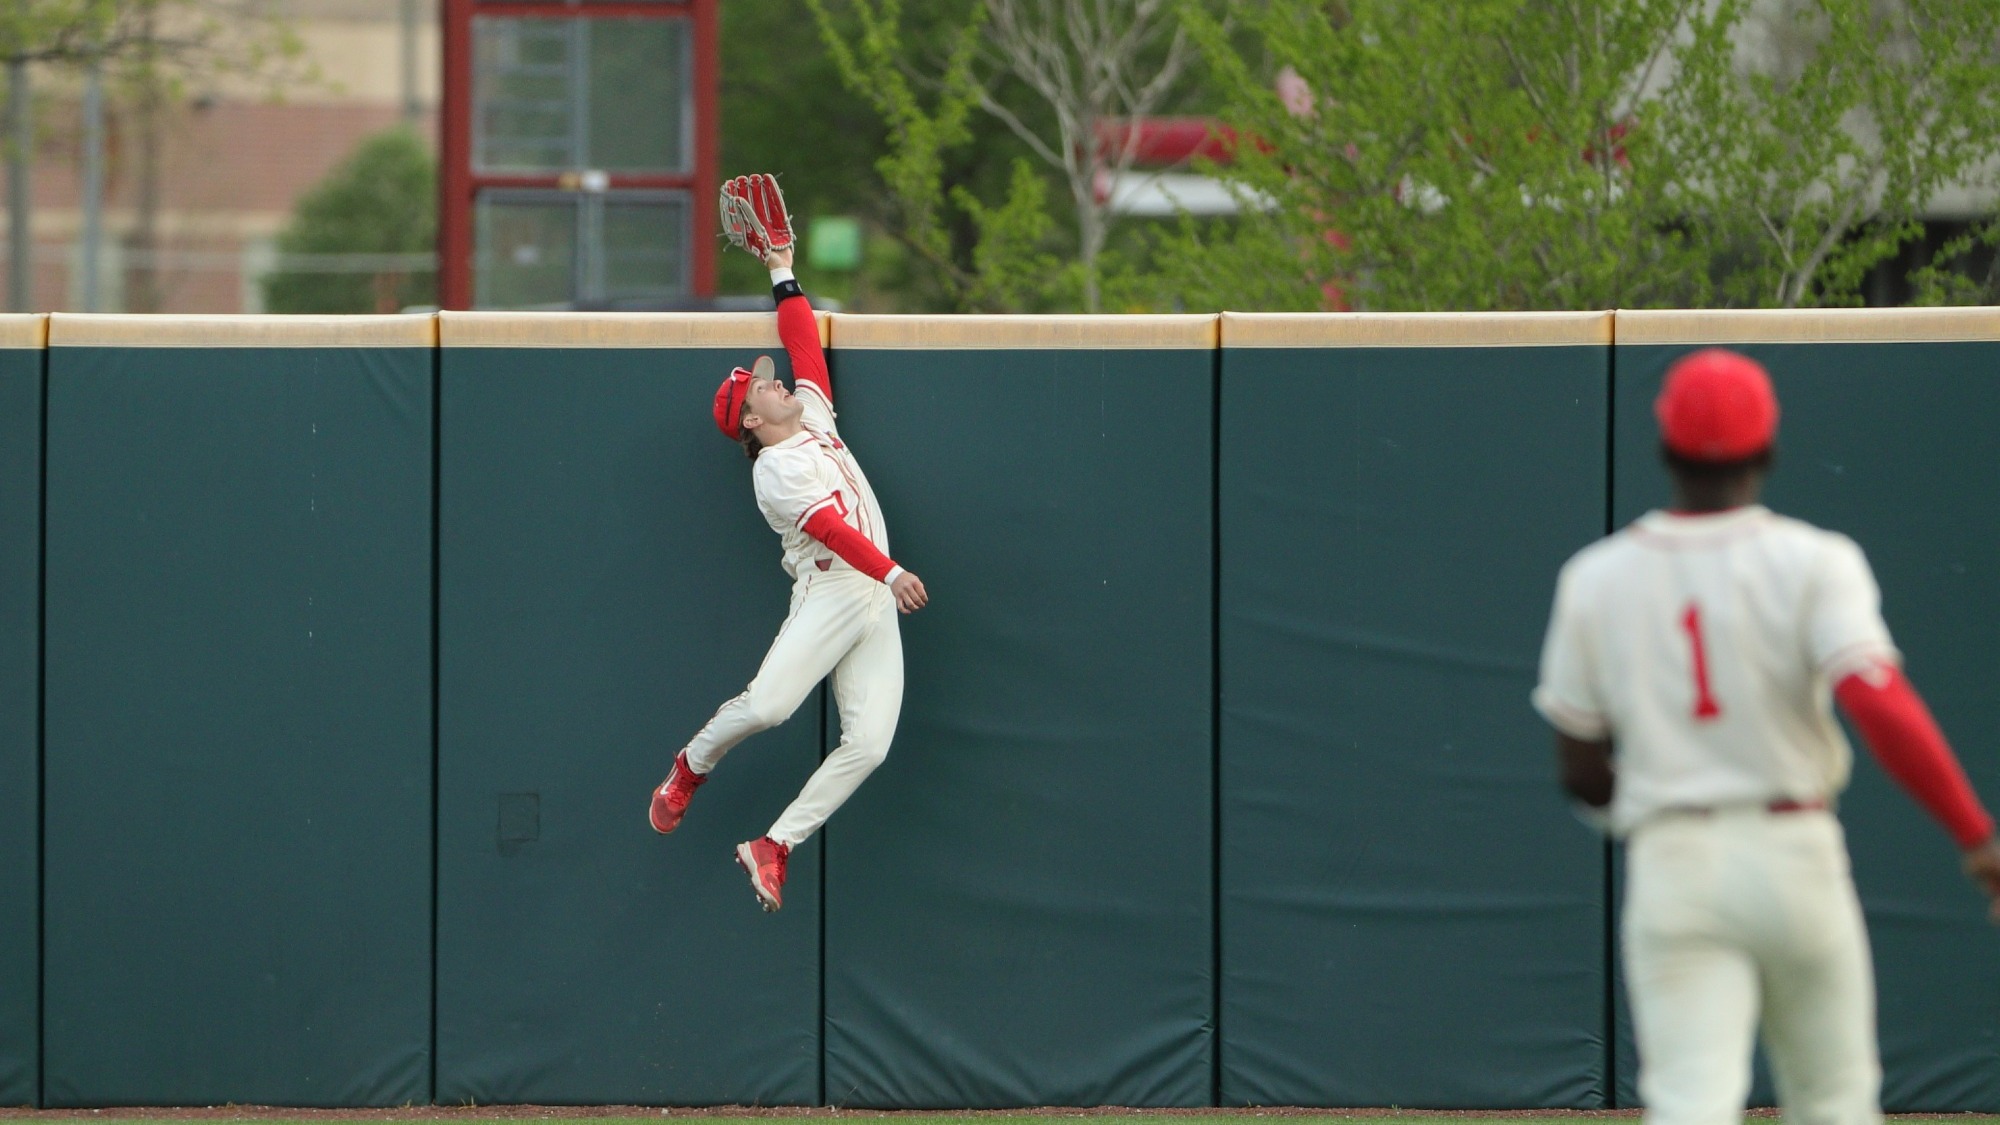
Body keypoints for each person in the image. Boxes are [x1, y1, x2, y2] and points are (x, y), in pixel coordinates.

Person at [1531, 348, 2000, 1125]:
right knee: (1836, 1101)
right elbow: (1878, 703)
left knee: (1689, 1103)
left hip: (1674, 861)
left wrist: (1659, 809)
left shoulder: (1597, 576)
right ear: (1770, 450)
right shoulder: (1815, 561)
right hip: (1795, 853)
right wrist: (1975, 834)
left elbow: (1579, 767)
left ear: (1664, 449)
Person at [649, 174, 928, 912]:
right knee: (771, 707)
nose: (778, 384)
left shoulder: (811, 415)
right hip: (838, 588)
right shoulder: (773, 471)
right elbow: (833, 530)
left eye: (772, 382)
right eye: (763, 389)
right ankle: (691, 763)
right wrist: (892, 568)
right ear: (749, 419)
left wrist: (781, 265)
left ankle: (774, 844)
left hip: (872, 593)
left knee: (870, 744)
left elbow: (802, 337)